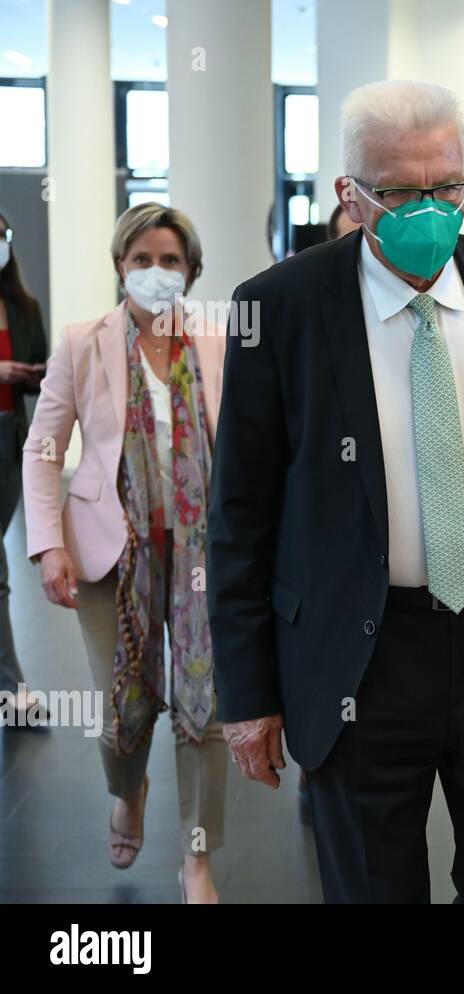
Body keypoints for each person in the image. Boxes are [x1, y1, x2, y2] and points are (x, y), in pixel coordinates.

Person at [208, 79, 464, 904]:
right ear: (351, 195)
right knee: (373, 883)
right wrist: (248, 696)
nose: (432, 208)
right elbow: (238, 518)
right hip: (361, 654)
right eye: (402, 191)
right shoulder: (277, 309)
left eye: (449, 185)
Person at [23, 203, 228, 902]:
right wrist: (49, 545)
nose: (155, 273)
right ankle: (128, 787)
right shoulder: (83, 342)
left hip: (204, 557)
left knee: (205, 705)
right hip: (113, 556)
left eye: (170, 261)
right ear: (119, 266)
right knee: (122, 709)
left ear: (191, 271)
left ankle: (197, 859)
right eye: (141, 260)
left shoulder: (220, 344)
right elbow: (43, 448)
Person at [0, 209, 48, 726]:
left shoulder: (23, 306)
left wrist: (28, 373)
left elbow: (41, 374)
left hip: (7, 437)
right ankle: (13, 691)